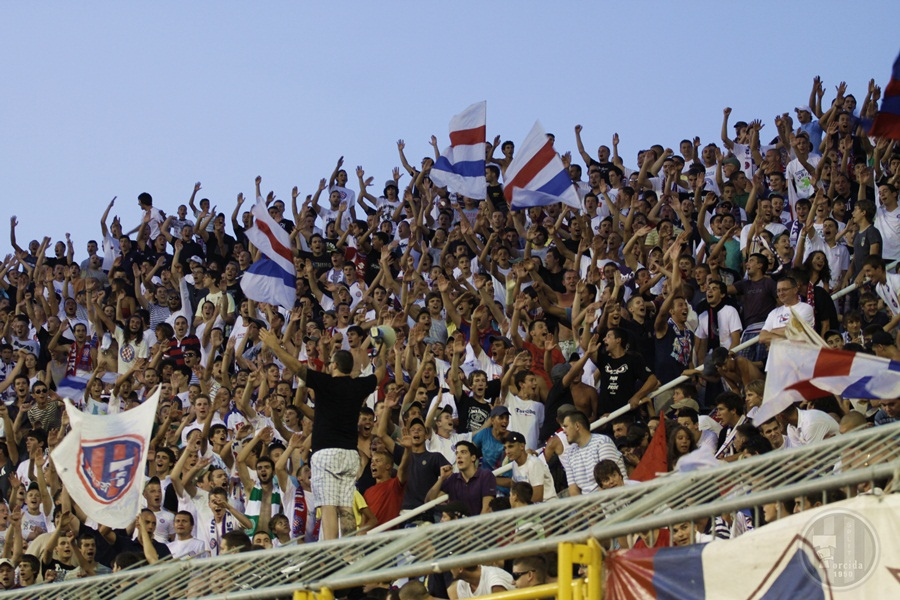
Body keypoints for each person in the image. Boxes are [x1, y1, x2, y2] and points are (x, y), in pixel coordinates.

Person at [259, 326, 386, 540]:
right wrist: (381, 347)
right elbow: (380, 373)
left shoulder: (324, 382)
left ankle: (331, 549)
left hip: (326, 454)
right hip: (349, 455)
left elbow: (295, 367)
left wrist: (275, 346)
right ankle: (347, 550)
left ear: (334, 365)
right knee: (345, 504)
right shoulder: (358, 386)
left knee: (328, 505)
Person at [562, 411, 625, 495]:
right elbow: (573, 490)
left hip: (615, 497)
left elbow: (610, 480)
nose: (563, 431)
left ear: (577, 426)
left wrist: (595, 504)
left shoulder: (602, 442)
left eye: (566, 426)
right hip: (590, 504)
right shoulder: (569, 454)